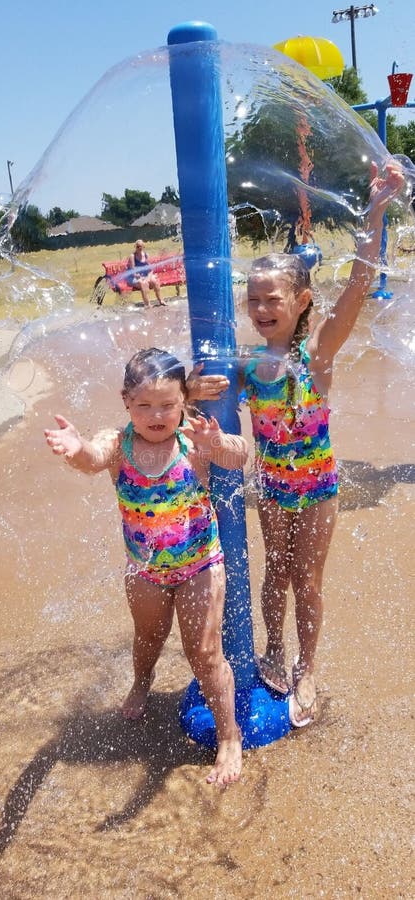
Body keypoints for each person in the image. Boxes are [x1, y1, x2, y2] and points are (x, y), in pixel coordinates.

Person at [190, 160, 404, 728]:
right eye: (253, 301)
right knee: (274, 575)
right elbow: (194, 402)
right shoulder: (246, 364)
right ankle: (273, 650)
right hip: (275, 489)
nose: (261, 311)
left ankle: (308, 668)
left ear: (301, 299)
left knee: (308, 580)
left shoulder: (320, 352)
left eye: (272, 300)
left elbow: (361, 282)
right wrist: (191, 386)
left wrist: (377, 209)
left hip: (320, 486)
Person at [44, 348, 248, 785]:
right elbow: (91, 459)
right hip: (145, 570)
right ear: (125, 403)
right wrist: (77, 448)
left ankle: (230, 737)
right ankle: (143, 679)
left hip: (200, 565)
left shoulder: (193, 439)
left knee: (205, 651)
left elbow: (240, 454)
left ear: (183, 402)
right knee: (148, 637)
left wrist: (219, 443)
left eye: (168, 405)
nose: (157, 415)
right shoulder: (118, 444)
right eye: (144, 406)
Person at [128, 239, 167, 308]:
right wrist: (137, 275)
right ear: (135, 247)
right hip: (133, 277)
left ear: (143, 247)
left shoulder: (146, 255)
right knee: (143, 283)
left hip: (145, 276)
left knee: (155, 281)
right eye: (137, 246)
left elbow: (150, 269)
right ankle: (147, 304)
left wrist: (148, 278)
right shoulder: (132, 256)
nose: (139, 248)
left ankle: (161, 300)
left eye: (141, 246)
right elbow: (132, 270)